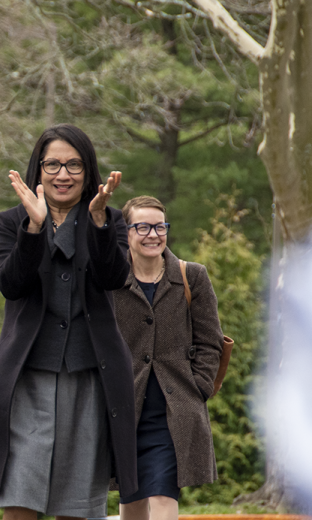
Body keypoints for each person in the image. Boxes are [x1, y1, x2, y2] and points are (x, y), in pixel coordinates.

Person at [0, 123, 137, 520]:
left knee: (78, 502)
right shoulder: (13, 220)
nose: (63, 175)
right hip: (26, 379)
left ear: (89, 172)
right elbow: (11, 285)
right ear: (38, 169)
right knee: (19, 493)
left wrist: (98, 223)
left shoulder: (109, 220)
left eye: (74, 165)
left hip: (88, 376)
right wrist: (34, 229)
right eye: (53, 164)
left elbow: (114, 279)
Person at [114, 196, 223, 520]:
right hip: (123, 410)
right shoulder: (110, 281)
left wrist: (198, 386)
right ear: (127, 233)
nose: (153, 235)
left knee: (162, 495)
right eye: (143, 226)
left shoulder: (193, 276)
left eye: (160, 226)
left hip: (171, 413)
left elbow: (210, 341)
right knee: (131, 504)